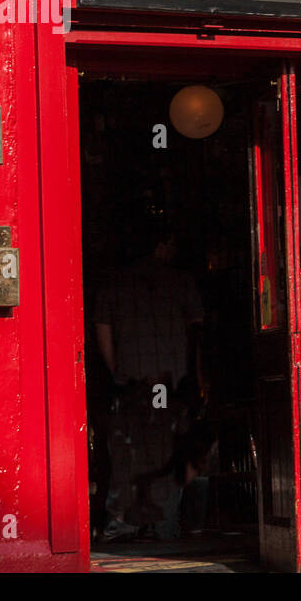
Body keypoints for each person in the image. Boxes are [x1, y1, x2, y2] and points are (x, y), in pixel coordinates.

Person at [95, 226, 206, 540]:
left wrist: (117, 368)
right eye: (171, 242)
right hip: (170, 380)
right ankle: (164, 522)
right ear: (162, 245)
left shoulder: (114, 283)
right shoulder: (181, 281)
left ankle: (121, 519)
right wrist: (197, 377)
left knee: (127, 448)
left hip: (131, 380)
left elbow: (102, 329)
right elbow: (197, 332)